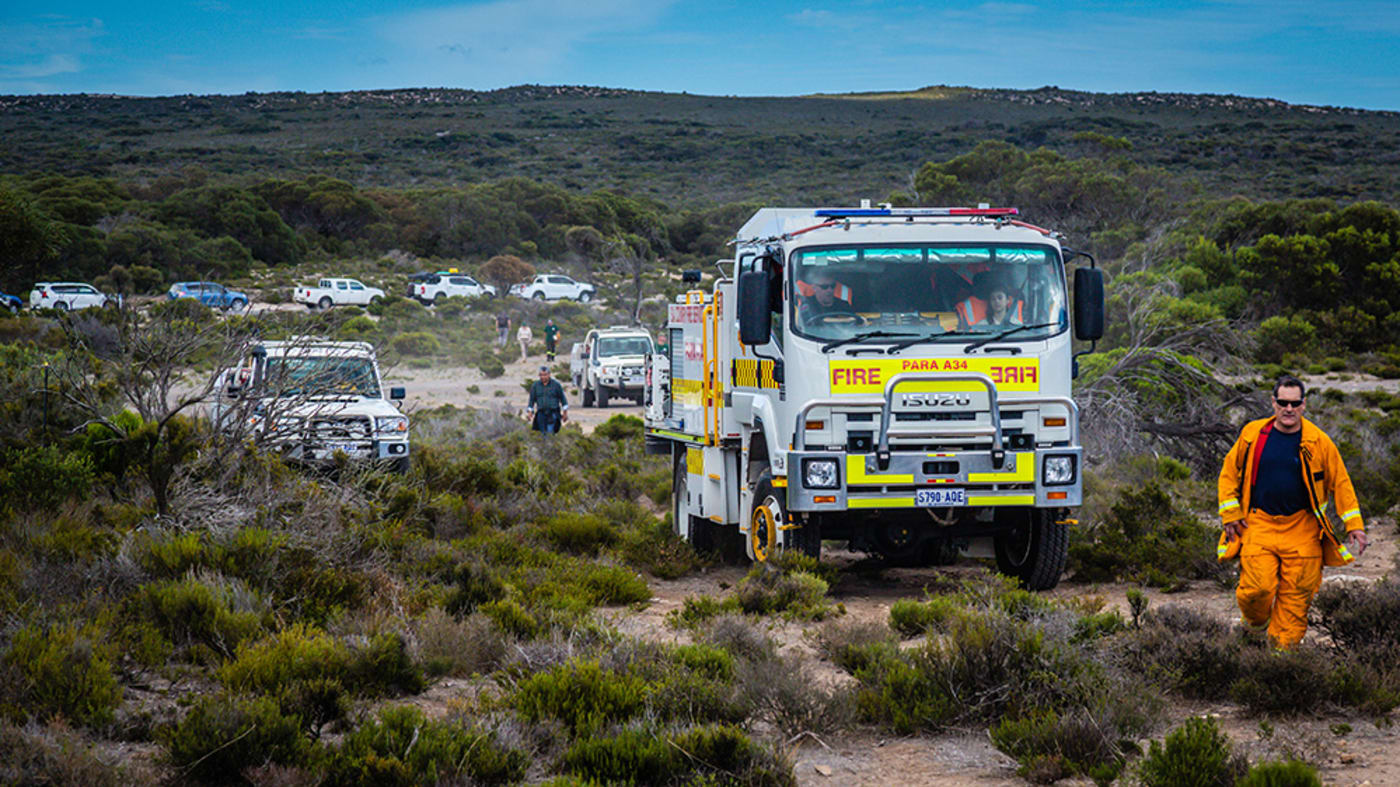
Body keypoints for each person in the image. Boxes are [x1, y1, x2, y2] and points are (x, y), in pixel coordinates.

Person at [1217, 375, 1369, 649]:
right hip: (1259, 525)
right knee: (1256, 591)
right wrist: (1231, 513)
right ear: (1273, 403)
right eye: (1283, 403)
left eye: (1295, 403)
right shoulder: (1253, 434)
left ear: (1304, 405)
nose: (1289, 409)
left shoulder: (1319, 442)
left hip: (1303, 532)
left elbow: (1341, 483)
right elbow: (1228, 473)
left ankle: (1279, 664)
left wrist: (1354, 525)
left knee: (1295, 600)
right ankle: (1255, 627)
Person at [526, 365, 569, 434]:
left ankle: (550, 443)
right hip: (541, 413)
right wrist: (530, 412)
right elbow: (531, 400)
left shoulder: (556, 385)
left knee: (550, 432)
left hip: (553, 413)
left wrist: (565, 413)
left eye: (545, 375)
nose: (543, 377)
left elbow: (563, 399)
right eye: (541, 375)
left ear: (549, 374)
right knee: (542, 433)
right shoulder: (535, 386)